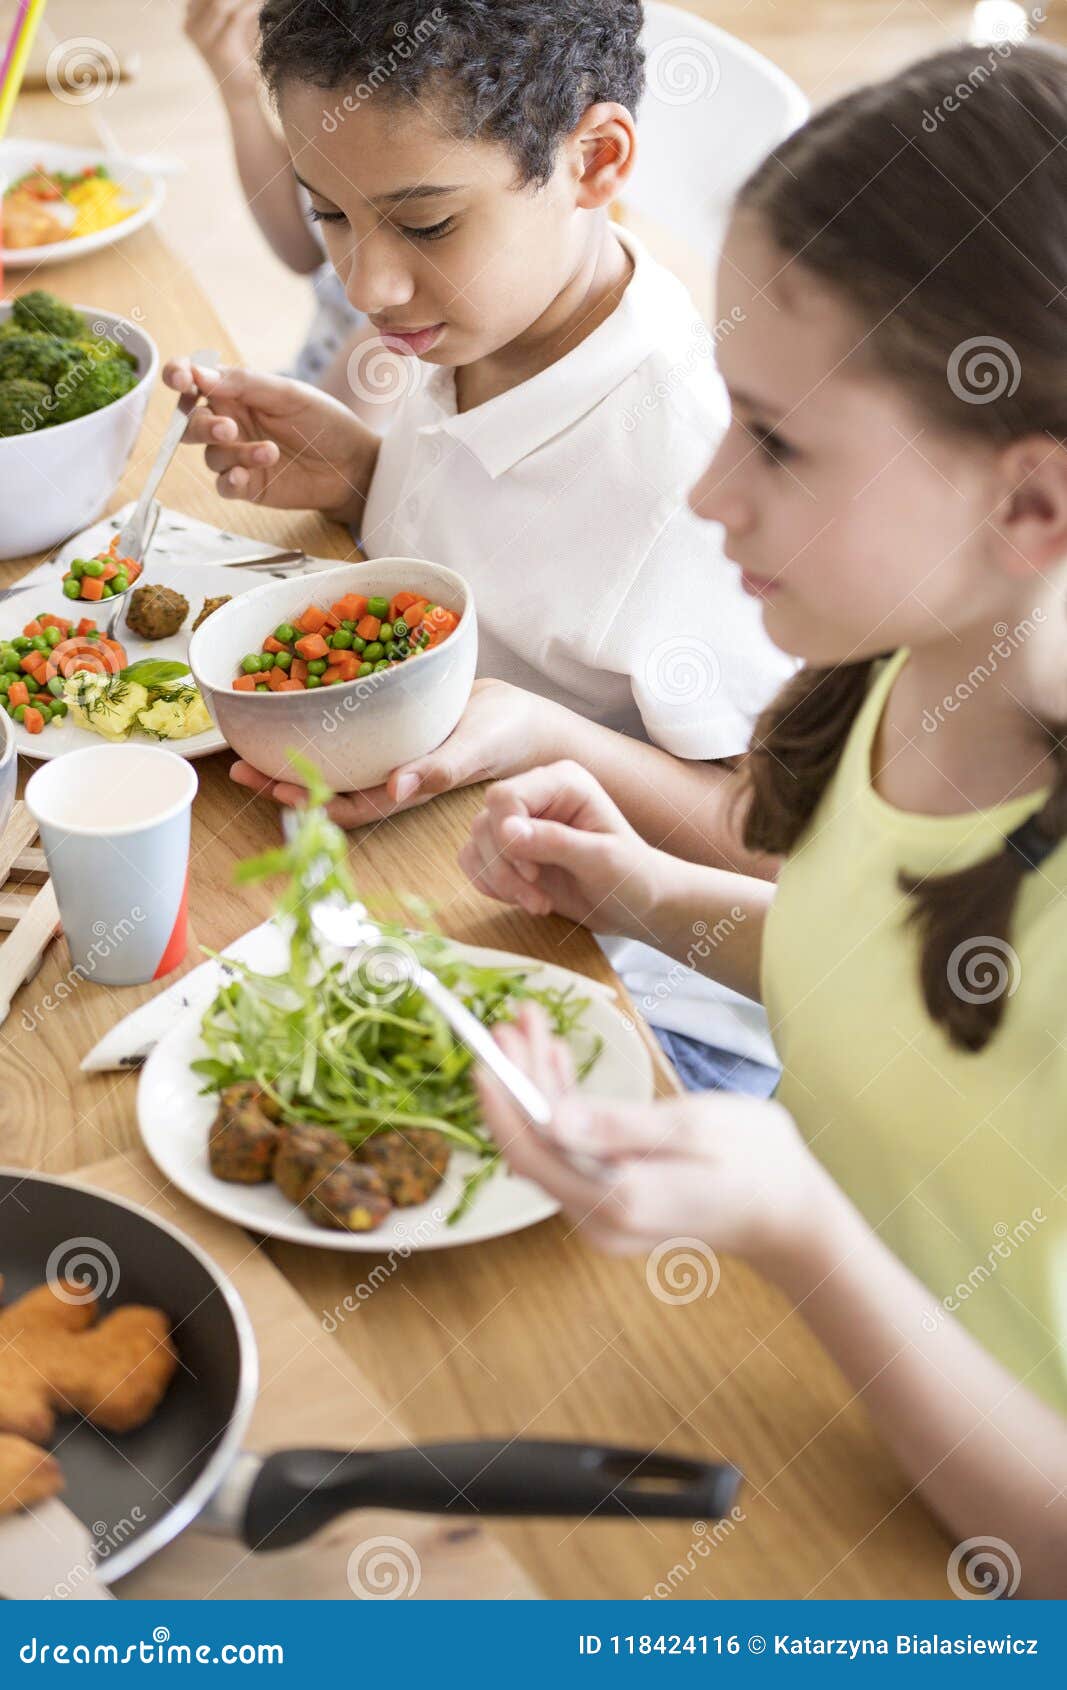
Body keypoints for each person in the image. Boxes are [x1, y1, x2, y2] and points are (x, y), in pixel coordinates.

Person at [463, 43, 1067, 1593]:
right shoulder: (907, 671)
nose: (708, 492)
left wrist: (799, 1225)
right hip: (777, 1411)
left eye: (778, 442)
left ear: (1029, 506)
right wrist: (637, 888)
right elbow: (890, 991)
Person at [166, 0, 795, 1094]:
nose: (366, 287)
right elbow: (515, 559)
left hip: (642, 1001)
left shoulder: (691, 477)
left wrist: (548, 740)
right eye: (329, 217)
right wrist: (367, 477)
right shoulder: (490, 316)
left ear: (593, 159)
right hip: (439, 854)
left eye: (421, 226)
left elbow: (782, 850)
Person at [182, 0, 371, 406]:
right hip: (312, 388)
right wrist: (240, 95)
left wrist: (317, 445)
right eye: (330, 212)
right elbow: (301, 249)